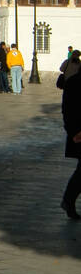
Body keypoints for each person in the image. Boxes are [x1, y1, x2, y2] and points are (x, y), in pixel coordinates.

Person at [57, 67, 81, 221]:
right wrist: (74, 132)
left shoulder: (73, 81)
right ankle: (68, 200)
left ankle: (68, 201)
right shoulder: (74, 83)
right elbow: (67, 110)